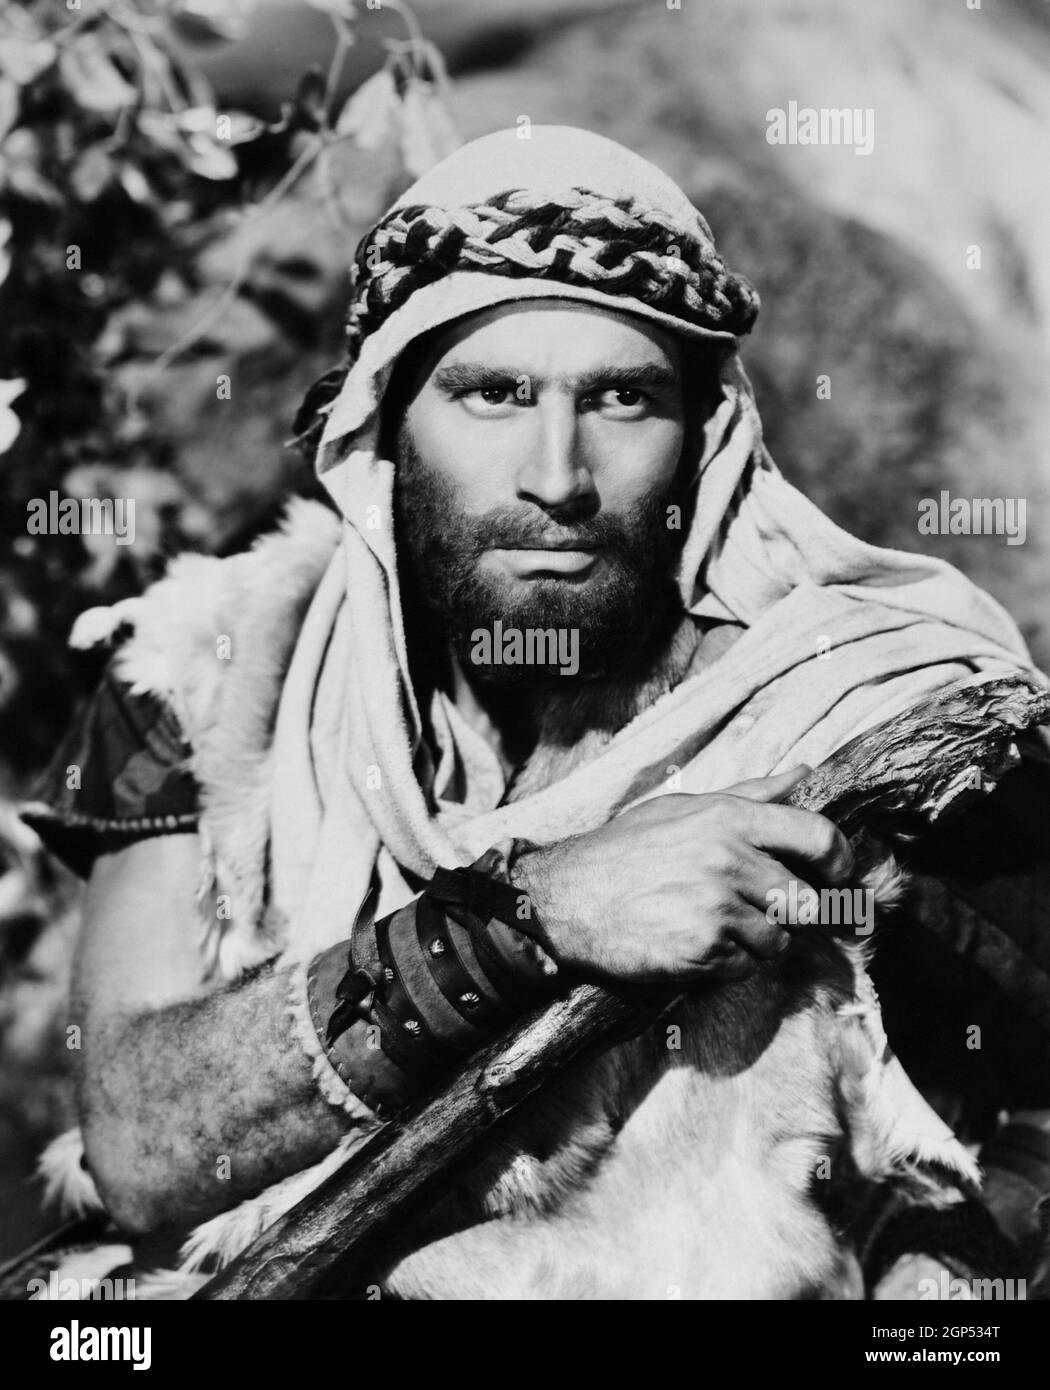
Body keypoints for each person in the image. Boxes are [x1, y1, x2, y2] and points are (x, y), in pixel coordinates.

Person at [20, 126, 1050, 1290]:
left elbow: (1024, 1115)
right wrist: (530, 914)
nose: (556, 475)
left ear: (706, 440)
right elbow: (143, 1145)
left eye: (621, 397)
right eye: (493, 393)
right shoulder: (209, 671)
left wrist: (950, 1288)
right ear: (382, 431)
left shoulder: (864, 710)